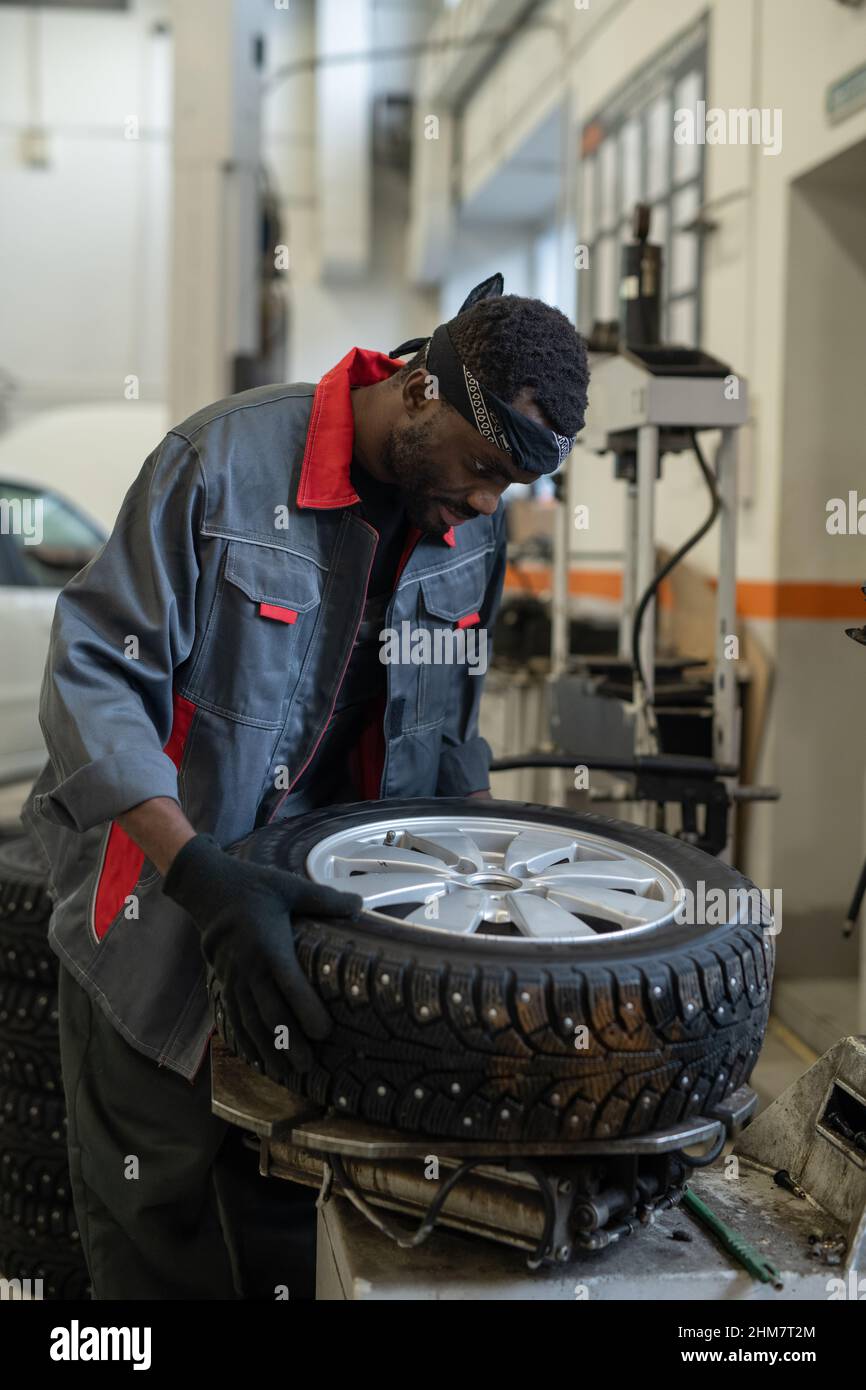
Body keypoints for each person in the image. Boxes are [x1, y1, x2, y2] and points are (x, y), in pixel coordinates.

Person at [23, 279, 590, 1298]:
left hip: (329, 948)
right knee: (157, 1232)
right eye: (480, 467)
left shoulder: (467, 535)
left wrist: (483, 921)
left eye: (507, 486)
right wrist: (197, 870)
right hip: (158, 919)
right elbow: (92, 678)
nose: (481, 503)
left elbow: (450, 740)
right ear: (420, 392)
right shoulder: (222, 467)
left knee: (301, 1218)